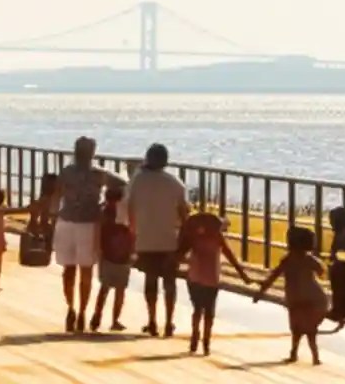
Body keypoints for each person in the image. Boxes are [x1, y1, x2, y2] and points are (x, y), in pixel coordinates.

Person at [47, 137, 125, 333]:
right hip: (89, 224)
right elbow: (124, 183)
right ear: (93, 152)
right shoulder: (99, 173)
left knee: (68, 270)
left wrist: (49, 219)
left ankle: (71, 307)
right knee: (86, 271)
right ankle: (82, 311)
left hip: (66, 222)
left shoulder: (66, 172)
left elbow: (56, 197)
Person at [126, 142, 189, 338]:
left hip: (146, 237)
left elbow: (131, 209)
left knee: (150, 280)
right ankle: (169, 321)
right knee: (170, 282)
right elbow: (184, 212)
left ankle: (152, 320)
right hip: (169, 238)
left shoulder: (137, 180)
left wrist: (133, 232)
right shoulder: (175, 183)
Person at [253, 227, 329, 365]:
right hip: (311, 296)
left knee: (296, 328)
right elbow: (321, 270)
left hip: (295, 297)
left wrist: (260, 292)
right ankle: (314, 356)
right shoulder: (309, 259)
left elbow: (273, 276)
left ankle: (294, 352)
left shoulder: (287, 260)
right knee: (310, 329)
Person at [178, 213, 250, 355]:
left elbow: (181, 253)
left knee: (197, 309)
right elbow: (230, 256)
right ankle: (206, 341)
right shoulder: (218, 238)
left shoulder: (195, 237)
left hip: (194, 277)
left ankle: (195, 335)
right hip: (211, 278)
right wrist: (243, 275)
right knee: (209, 311)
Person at [89, 186, 133, 332]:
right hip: (123, 253)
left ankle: (97, 316)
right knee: (120, 290)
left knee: (104, 288)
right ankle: (115, 320)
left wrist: (98, 249)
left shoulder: (103, 212)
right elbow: (132, 231)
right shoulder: (125, 211)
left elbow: (98, 231)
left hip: (107, 253)